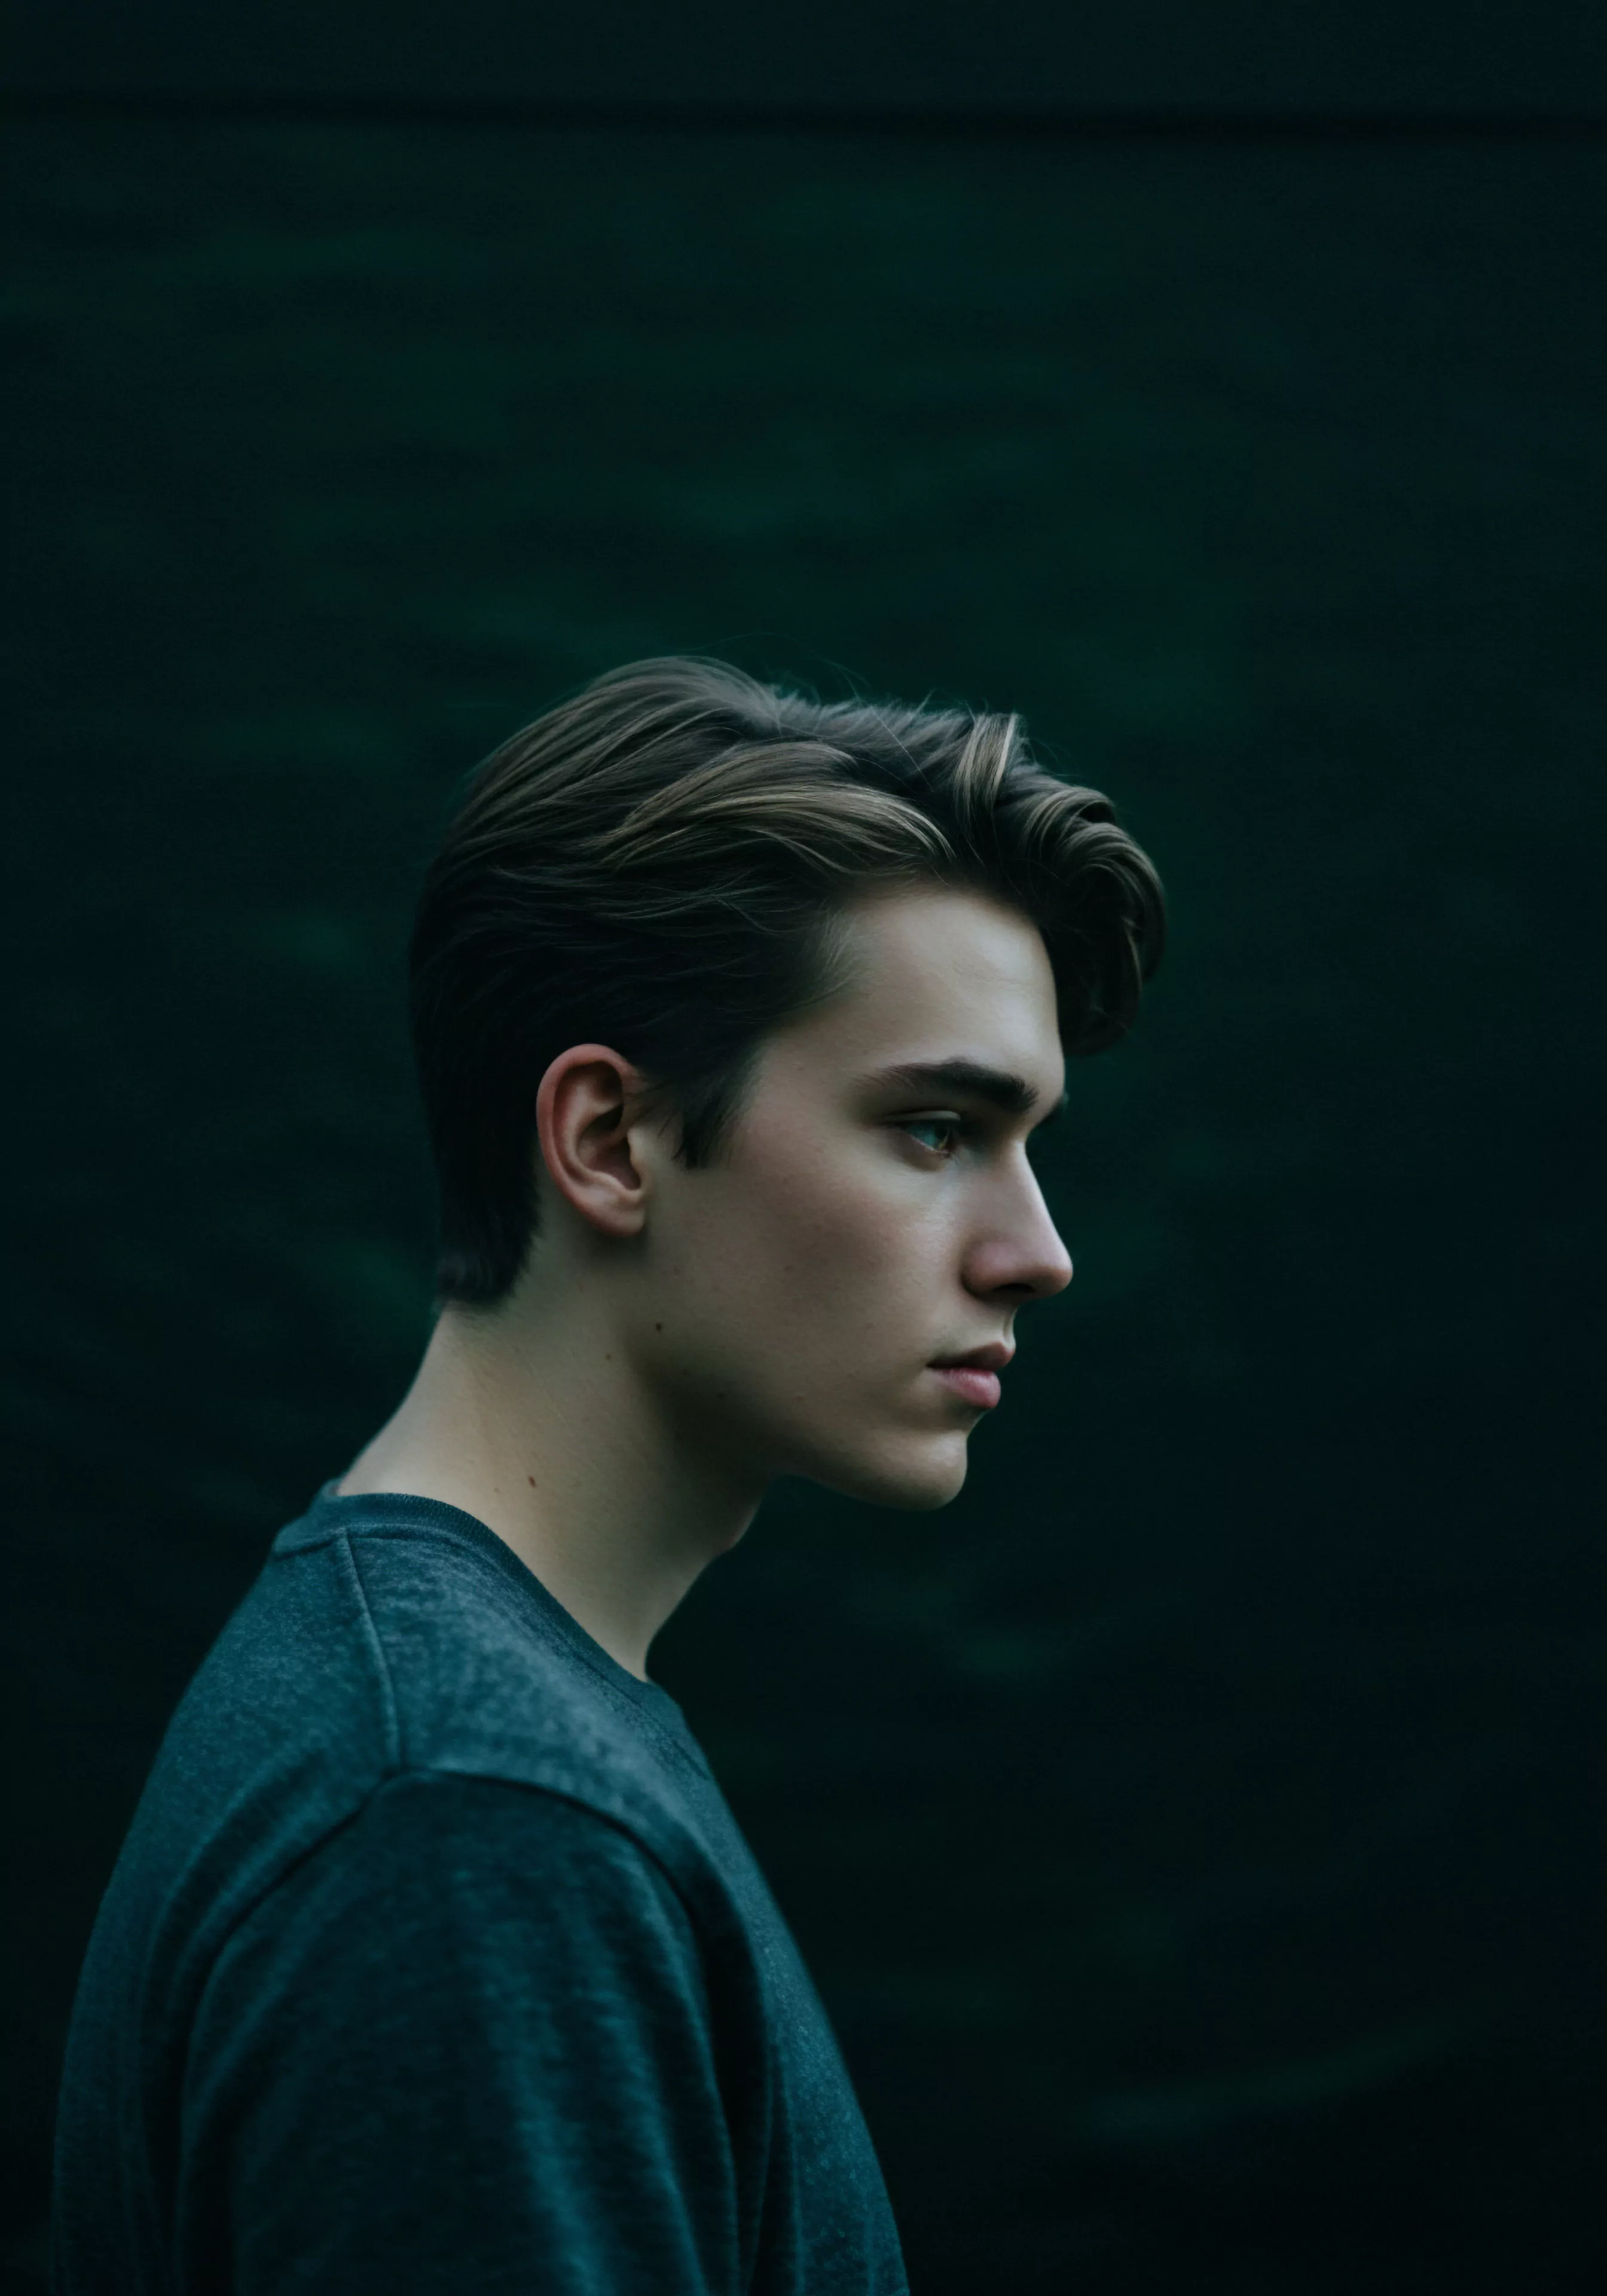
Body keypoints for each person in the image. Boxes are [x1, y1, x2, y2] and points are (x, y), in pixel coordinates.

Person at [50, 657, 1165, 2293]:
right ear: (608, 1141)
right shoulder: (471, 1828)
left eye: (1029, 1141)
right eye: (935, 1127)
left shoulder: (464, 1742)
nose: (1038, 1253)